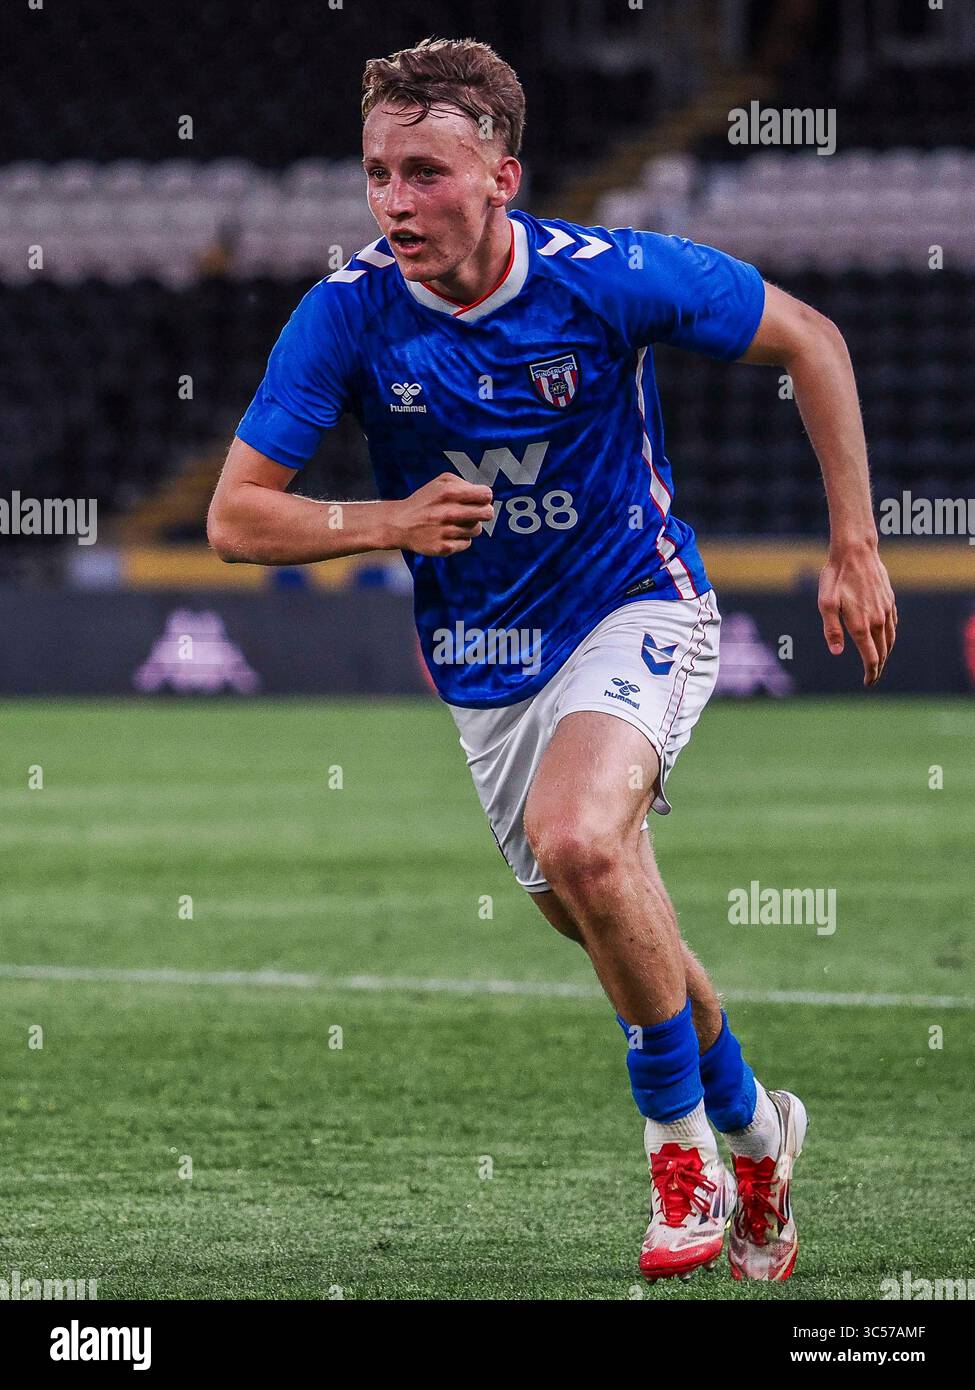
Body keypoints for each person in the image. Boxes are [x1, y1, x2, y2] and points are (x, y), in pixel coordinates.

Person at [207, 36, 897, 1282]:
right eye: (377, 173)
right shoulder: (347, 315)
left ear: (503, 177)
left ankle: (676, 1152)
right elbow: (235, 515)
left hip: (639, 605)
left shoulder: (611, 279)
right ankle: (757, 1131)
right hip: (484, 663)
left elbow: (815, 342)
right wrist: (389, 522)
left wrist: (855, 542)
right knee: (602, 908)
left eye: (425, 172)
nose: (394, 202)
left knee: (583, 838)